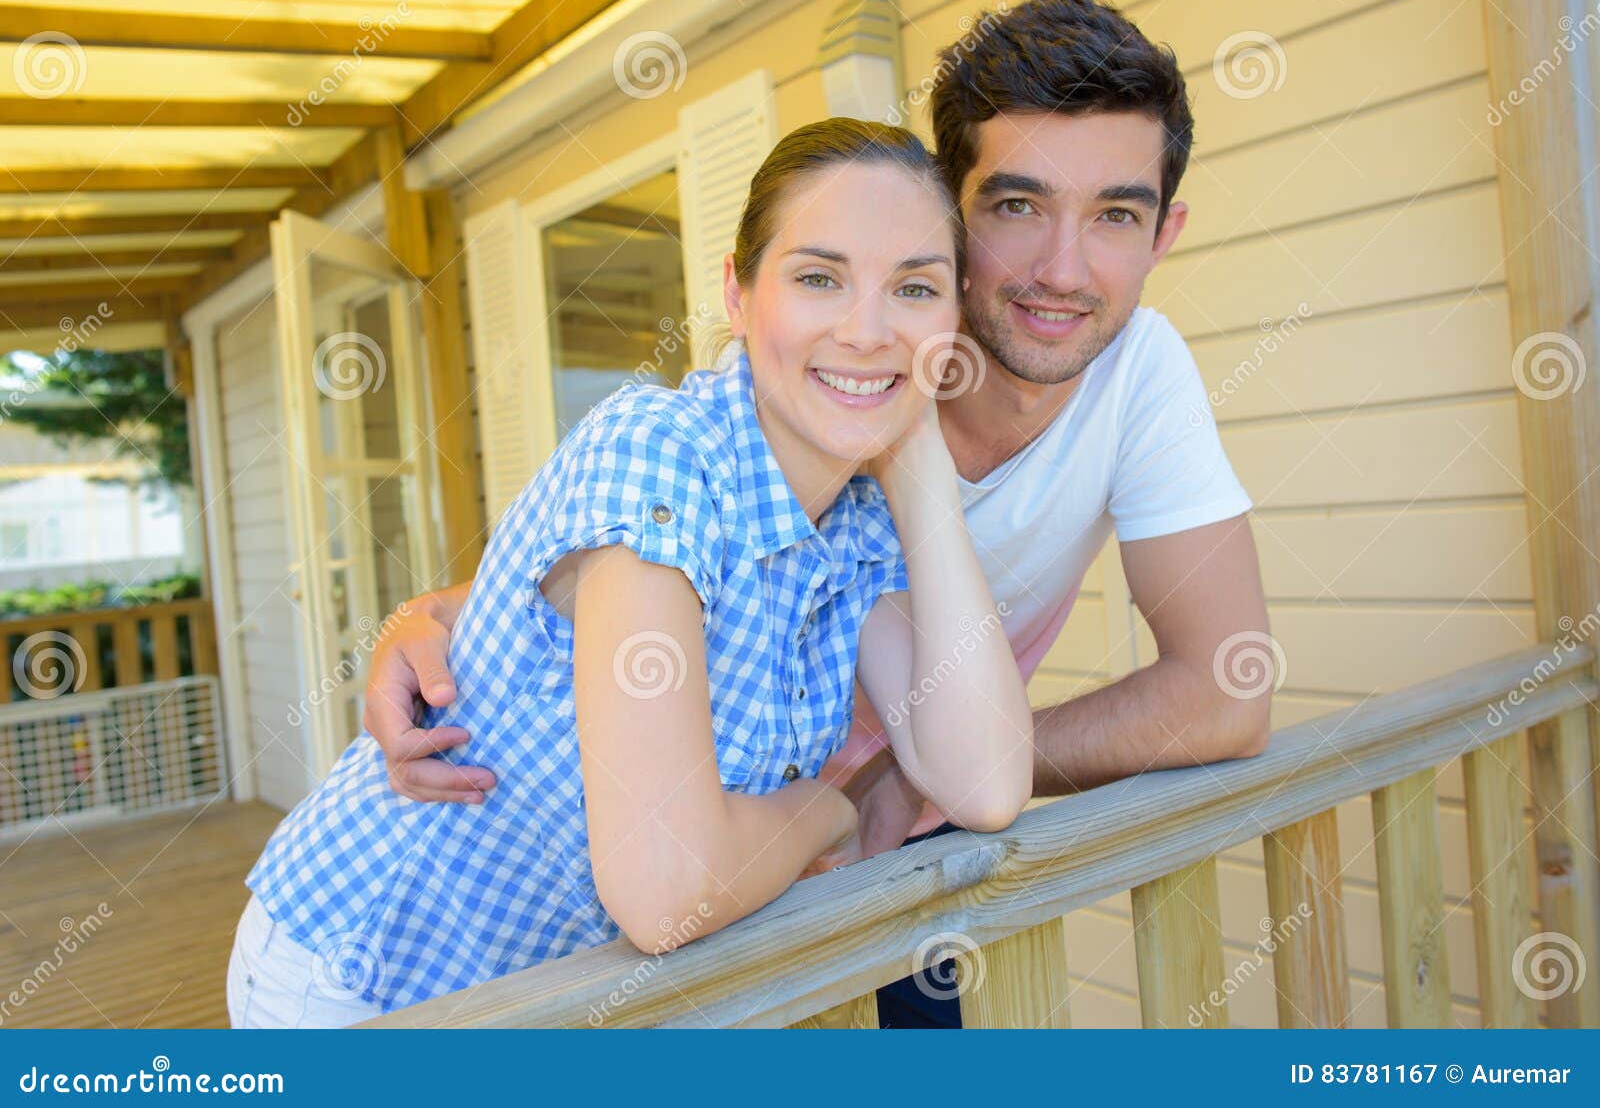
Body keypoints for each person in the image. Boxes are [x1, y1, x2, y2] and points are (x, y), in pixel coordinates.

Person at [364, 0, 1273, 1028]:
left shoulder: (1120, 381)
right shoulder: (812, 400)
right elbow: (644, 535)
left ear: (1164, 233)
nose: (1061, 269)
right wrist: (435, 621)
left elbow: (1222, 691)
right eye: (1016, 205)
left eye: (1115, 213)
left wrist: (895, 779)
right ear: (950, 209)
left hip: (885, 835)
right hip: (647, 870)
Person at [225, 118, 1033, 1027]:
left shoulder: (853, 522)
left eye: (915, 290)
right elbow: (664, 893)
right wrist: (826, 811)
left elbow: (988, 780)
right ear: (738, 295)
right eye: (818, 277)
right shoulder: (658, 454)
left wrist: (916, 450)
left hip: (541, 999)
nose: (868, 328)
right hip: (368, 979)